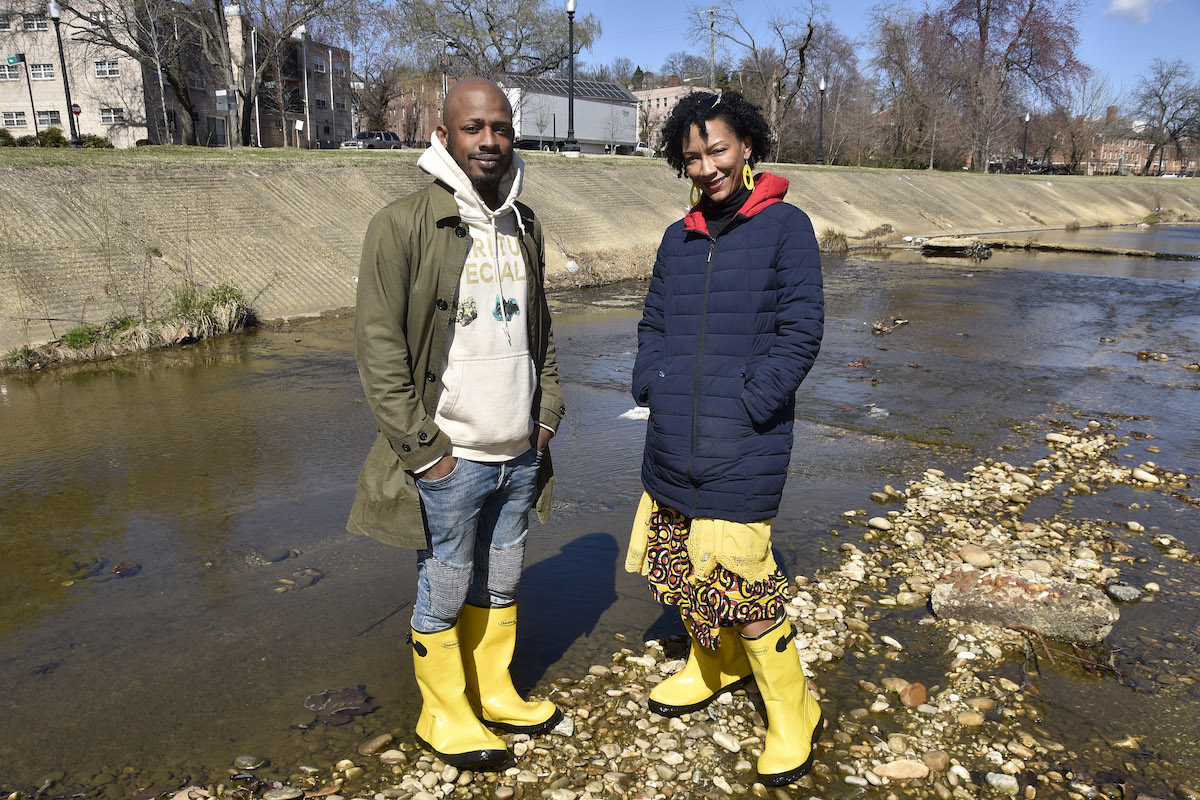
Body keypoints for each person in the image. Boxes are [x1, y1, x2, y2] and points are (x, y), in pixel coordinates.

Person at [347, 77, 566, 771]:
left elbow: (544, 334)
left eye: (500, 127)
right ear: (443, 135)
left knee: (501, 580)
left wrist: (548, 416)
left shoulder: (524, 222)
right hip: (451, 459)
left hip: (519, 452)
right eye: (473, 128)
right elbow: (378, 351)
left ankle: (491, 691)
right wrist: (425, 453)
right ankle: (443, 714)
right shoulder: (403, 224)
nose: (490, 140)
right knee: (443, 588)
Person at [625, 90, 825, 787]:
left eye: (717, 150)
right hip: (673, 436)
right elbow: (652, 325)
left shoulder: (786, 228)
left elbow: (802, 334)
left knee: (743, 577)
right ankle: (709, 666)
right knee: (682, 563)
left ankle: (794, 710)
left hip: (745, 440)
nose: (706, 166)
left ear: (746, 147)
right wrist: (652, 382)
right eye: (692, 157)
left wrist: (750, 403)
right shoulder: (676, 238)